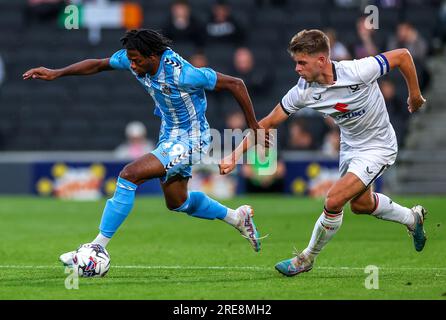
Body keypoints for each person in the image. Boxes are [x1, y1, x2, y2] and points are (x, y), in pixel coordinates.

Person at [23, 29, 265, 267]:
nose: (133, 66)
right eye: (130, 60)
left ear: (153, 57)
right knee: (178, 202)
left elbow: (236, 83)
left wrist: (253, 125)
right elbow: (98, 64)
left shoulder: (185, 74)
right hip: (168, 135)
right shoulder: (134, 58)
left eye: (137, 61)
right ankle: (237, 217)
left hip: (193, 139)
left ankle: (96, 247)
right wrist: (57, 73)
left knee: (129, 175)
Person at [219, 29, 427, 276]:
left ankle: (306, 258)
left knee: (334, 200)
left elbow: (403, 55)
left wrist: (414, 94)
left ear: (321, 60)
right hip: (350, 146)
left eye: (302, 63)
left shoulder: (358, 70)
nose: (297, 69)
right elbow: (267, 122)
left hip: (378, 146)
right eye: (296, 62)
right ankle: (413, 219)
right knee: (361, 205)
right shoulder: (303, 91)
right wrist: (235, 154)